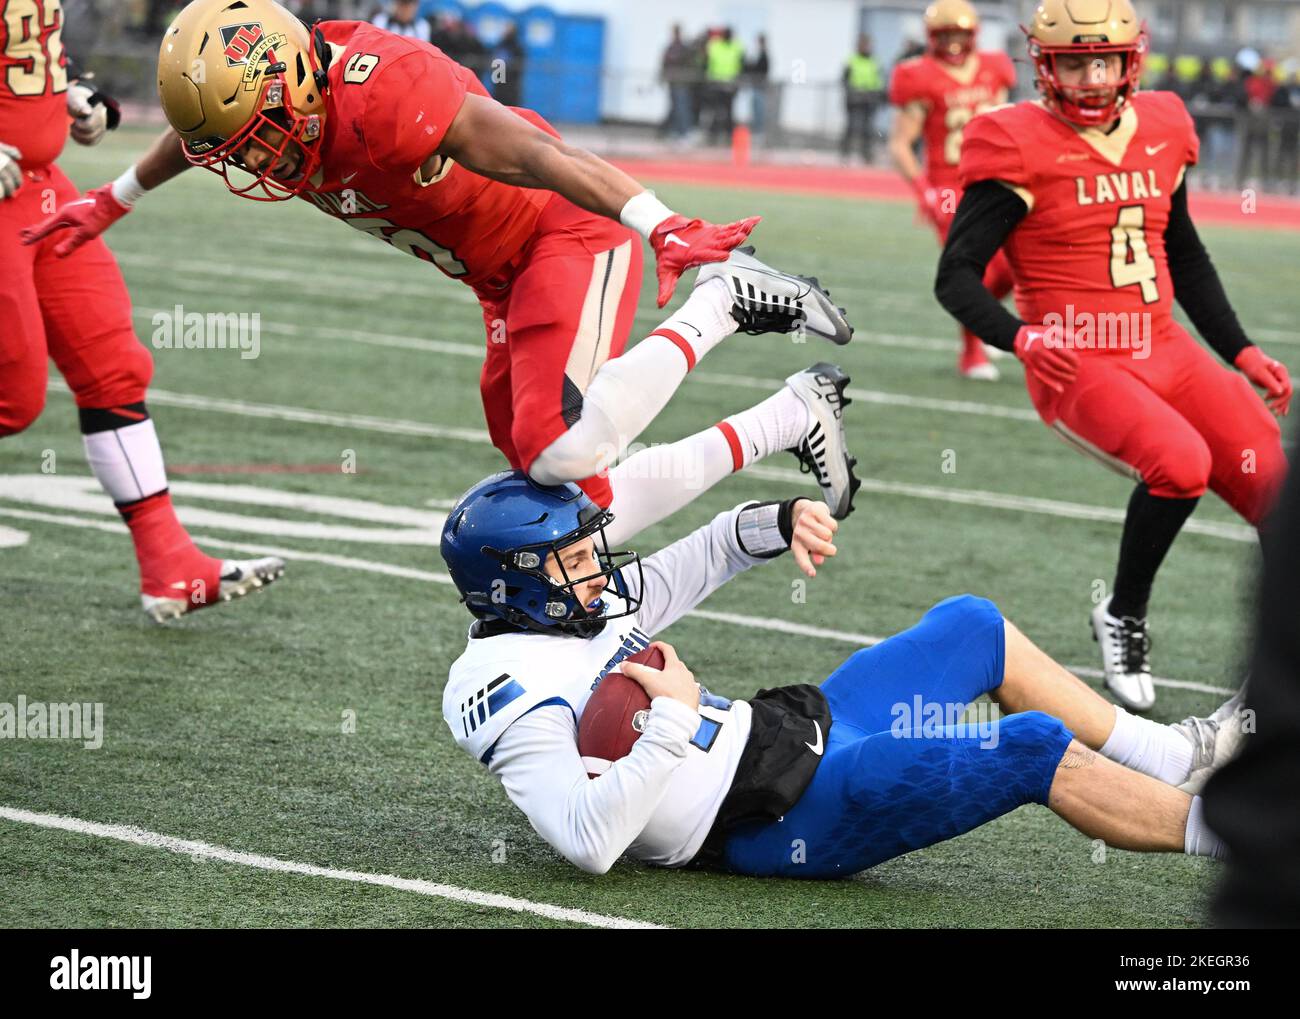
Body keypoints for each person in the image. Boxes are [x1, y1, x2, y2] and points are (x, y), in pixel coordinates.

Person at [24, 0, 859, 545]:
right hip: (496, 274)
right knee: (569, 503)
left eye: (265, 134)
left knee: (558, 450)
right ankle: (788, 418)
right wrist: (114, 199)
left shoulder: (386, 91)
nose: (261, 160)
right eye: (242, 147)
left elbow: (538, 150)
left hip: (563, 235)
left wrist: (660, 223)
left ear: (301, 83)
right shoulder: (265, 99)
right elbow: (201, 132)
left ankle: (722, 300)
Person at [439, 469, 1245, 876]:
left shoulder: (572, 605)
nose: (596, 570)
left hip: (790, 730)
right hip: (780, 816)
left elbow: (700, 557)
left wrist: (776, 520)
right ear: (514, 584)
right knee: (1031, 746)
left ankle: (1171, 756)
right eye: (573, 559)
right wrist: (677, 719)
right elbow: (585, 840)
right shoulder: (506, 684)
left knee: (971, 624)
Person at [935, 0, 1290, 711]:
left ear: (1132, 61)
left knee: (1274, 481)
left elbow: (1184, 256)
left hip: (1165, 342)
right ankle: (1124, 613)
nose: (1092, 77)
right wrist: (1021, 338)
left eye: (1105, 60)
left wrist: (1242, 350)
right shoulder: (1015, 141)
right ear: (1046, 63)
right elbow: (956, 275)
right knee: (1181, 464)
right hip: (1077, 357)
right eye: (1075, 60)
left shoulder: (1162, 126)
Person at [0, 0, 283, 621]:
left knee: (113, 366)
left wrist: (69, 94)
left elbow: (20, 58)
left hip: (39, 186)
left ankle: (170, 564)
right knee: (12, 399)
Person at [888, 0, 1016, 382]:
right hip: (950, 187)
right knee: (971, 270)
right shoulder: (919, 76)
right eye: (946, 34)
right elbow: (899, 144)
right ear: (932, 37)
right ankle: (972, 354)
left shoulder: (995, 68)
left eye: (960, 34)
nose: (954, 42)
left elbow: (1007, 124)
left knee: (1012, 267)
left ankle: (986, 322)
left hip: (996, 179)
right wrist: (924, 190)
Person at [842, 34, 883, 163]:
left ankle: (867, 155)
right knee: (851, 127)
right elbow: (844, 79)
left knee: (868, 129)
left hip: (869, 99)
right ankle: (845, 154)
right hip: (854, 99)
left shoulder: (875, 61)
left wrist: (876, 94)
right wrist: (852, 92)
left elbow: (879, 81)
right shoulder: (851, 60)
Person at [703, 27, 744, 146]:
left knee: (729, 112)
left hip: (730, 84)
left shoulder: (736, 46)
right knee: (715, 111)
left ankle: (728, 137)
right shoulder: (715, 45)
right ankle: (713, 136)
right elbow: (707, 62)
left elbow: (741, 64)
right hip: (716, 82)